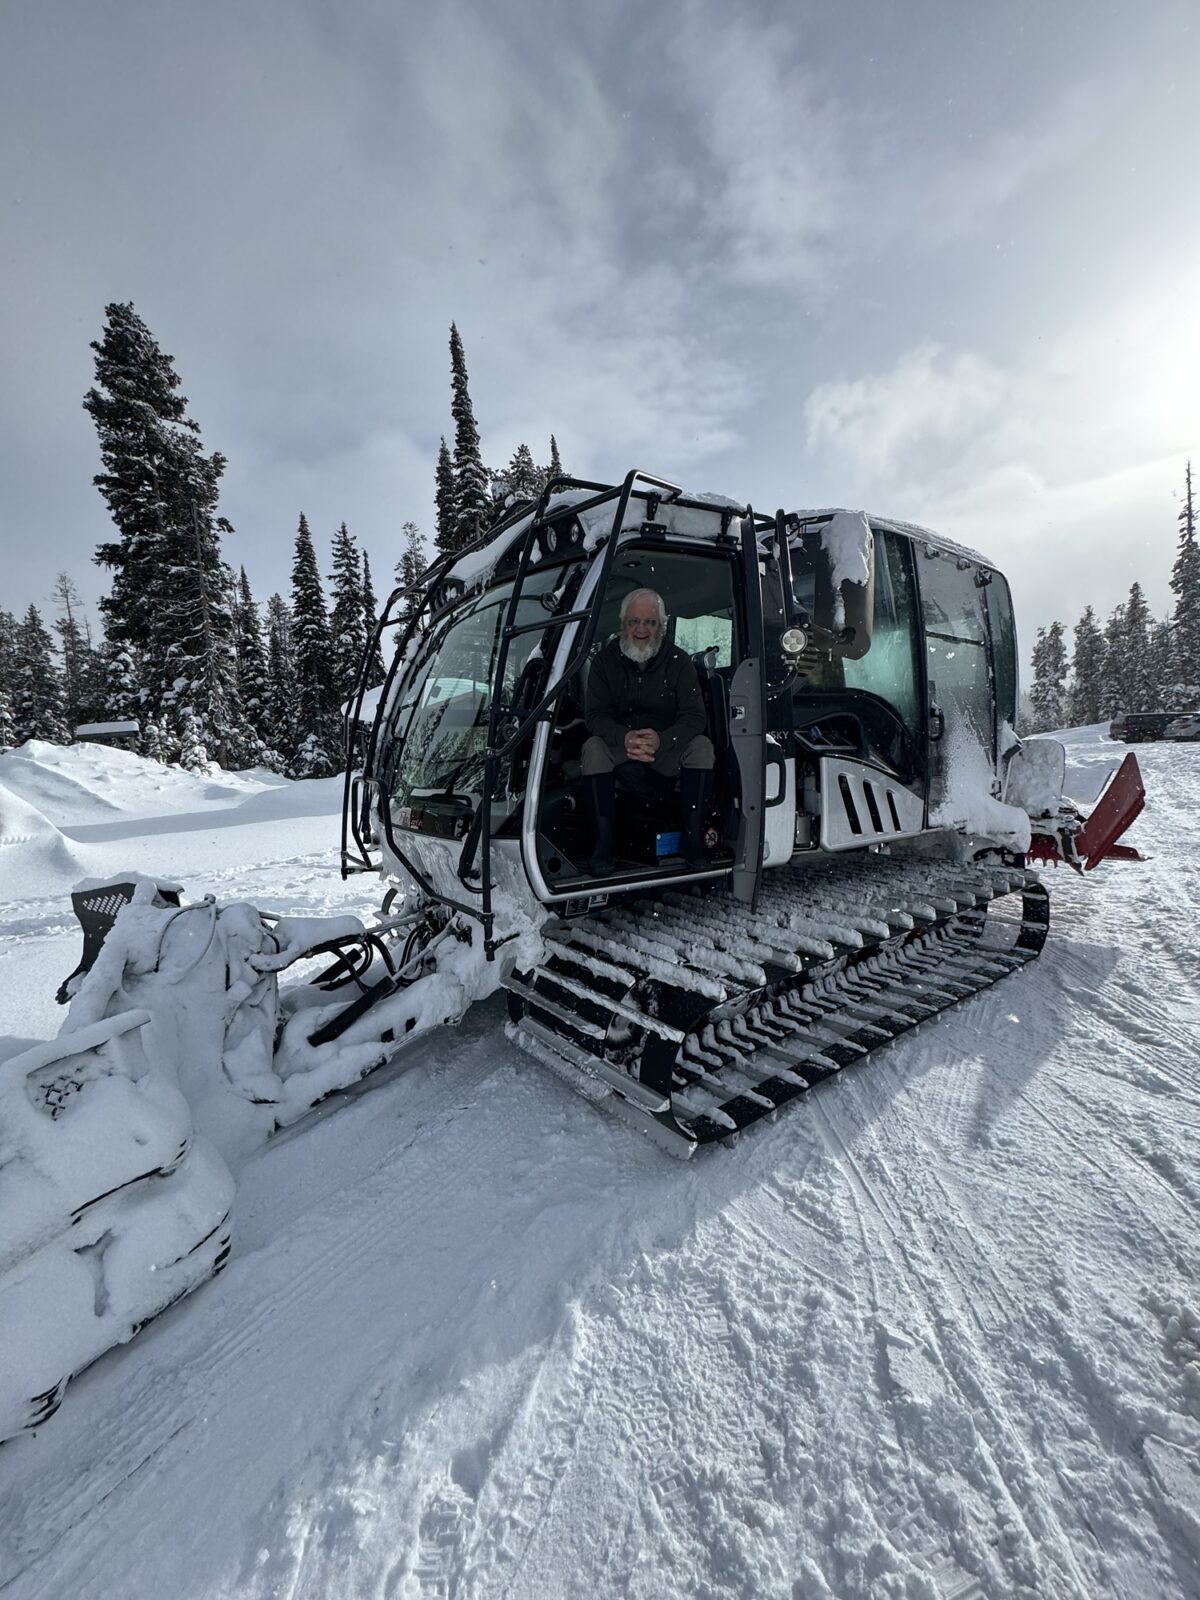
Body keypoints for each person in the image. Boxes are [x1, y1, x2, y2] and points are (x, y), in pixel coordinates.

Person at [581, 588, 715, 874]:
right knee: (593, 749)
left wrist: (662, 740)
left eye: (650, 623)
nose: (642, 630)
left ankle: (693, 842)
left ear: (661, 626)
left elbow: (694, 717)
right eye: (634, 622)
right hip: (621, 747)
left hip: (666, 750)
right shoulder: (604, 663)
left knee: (702, 747)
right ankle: (603, 846)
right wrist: (625, 737)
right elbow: (595, 716)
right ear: (624, 623)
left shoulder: (679, 662)